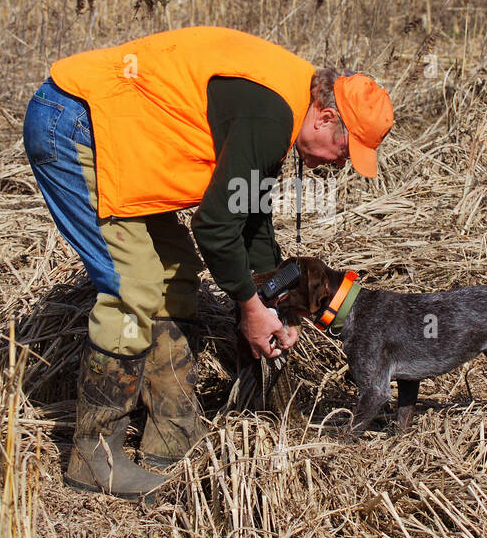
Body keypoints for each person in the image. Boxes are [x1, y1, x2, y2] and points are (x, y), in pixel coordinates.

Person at [23, 25, 393, 500]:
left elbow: (250, 215)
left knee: (176, 271)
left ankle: (171, 434)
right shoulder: (270, 114)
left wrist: (272, 300)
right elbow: (215, 226)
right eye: (346, 151)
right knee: (133, 283)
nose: (340, 165)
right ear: (324, 118)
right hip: (75, 124)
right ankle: (96, 458)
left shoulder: (284, 106)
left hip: (122, 140)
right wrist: (248, 308)